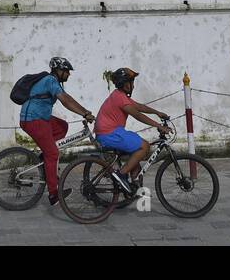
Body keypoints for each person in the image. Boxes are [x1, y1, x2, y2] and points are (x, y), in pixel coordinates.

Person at [19, 56, 95, 208]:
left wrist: (84, 111)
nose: (68, 74)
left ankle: (45, 156)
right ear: (58, 71)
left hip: (41, 118)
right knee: (53, 154)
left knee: (62, 126)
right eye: (66, 71)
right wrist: (85, 113)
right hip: (33, 120)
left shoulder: (53, 82)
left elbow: (68, 98)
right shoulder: (50, 81)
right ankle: (53, 194)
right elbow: (65, 101)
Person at [94, 67, 171, 195]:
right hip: (109, 134)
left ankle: (133, 186)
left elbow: (139, 107)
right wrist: (158, 125)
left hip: (112, 132)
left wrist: (157, 112)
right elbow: (137, 114)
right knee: (144, 146)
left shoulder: (119, 95)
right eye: (131, 82)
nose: (133, 85)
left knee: (136, 149)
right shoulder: (120, 98)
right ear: (124, 84)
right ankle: (121, 175)